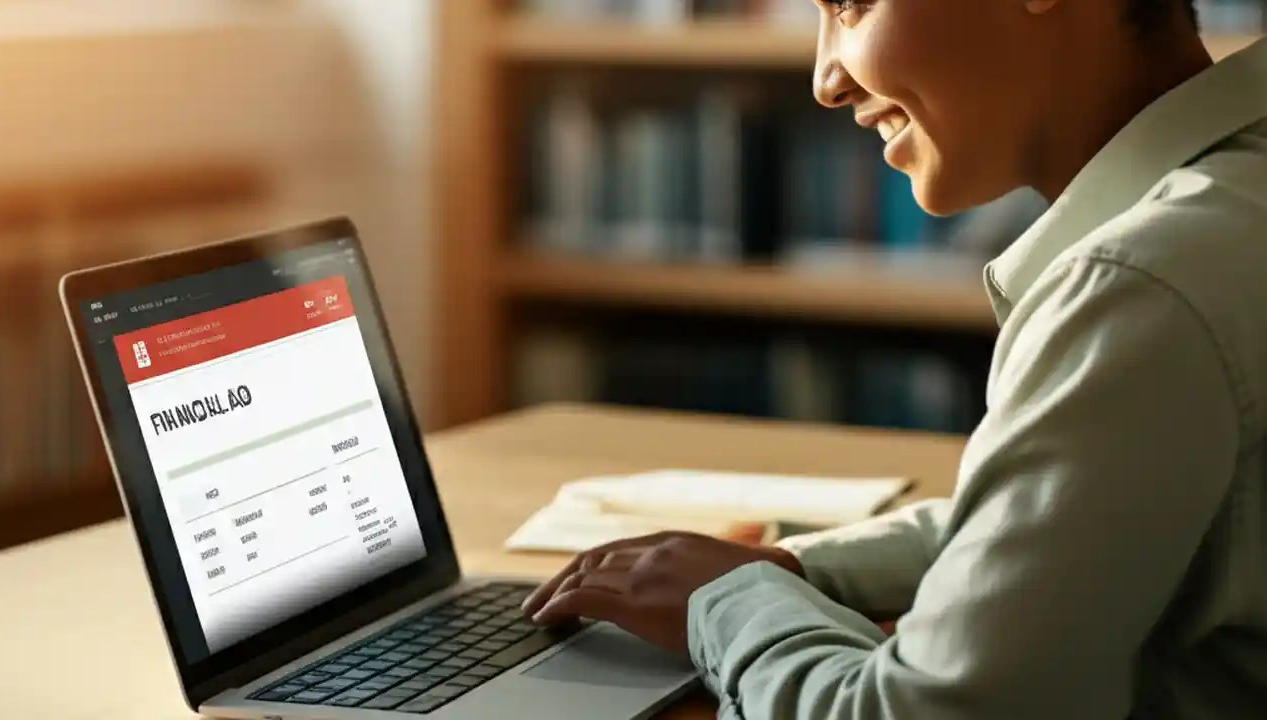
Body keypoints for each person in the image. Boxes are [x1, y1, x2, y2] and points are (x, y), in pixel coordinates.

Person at [521, 0, 1267, 718]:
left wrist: (724, 605)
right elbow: (1073, 527)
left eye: (850, 5)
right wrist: (796, 571)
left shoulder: (1139, 290)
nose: (825, 78)